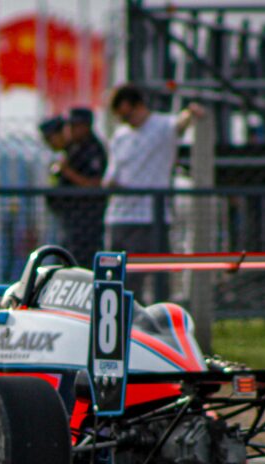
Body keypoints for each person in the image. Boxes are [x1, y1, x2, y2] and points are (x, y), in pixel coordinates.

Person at [102, 83, 204, 301]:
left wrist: (191, 112)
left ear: (138, 106)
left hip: (149, 216)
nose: (126, 121)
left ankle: (149, 316)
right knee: (116, 277)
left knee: (146, 278)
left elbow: (180, 123)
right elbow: (111, 177)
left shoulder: (162, 126)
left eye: (127, 115)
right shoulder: (120, 136)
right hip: (119, 216)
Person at [54, 107, 107, 267]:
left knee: (82, 261)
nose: (70, 130)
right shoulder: (72, 148)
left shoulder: (94, 149)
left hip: (88, 218)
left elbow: (96, 184)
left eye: (74, 125)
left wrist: (68, 172)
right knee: (65, 257)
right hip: (71, 216)